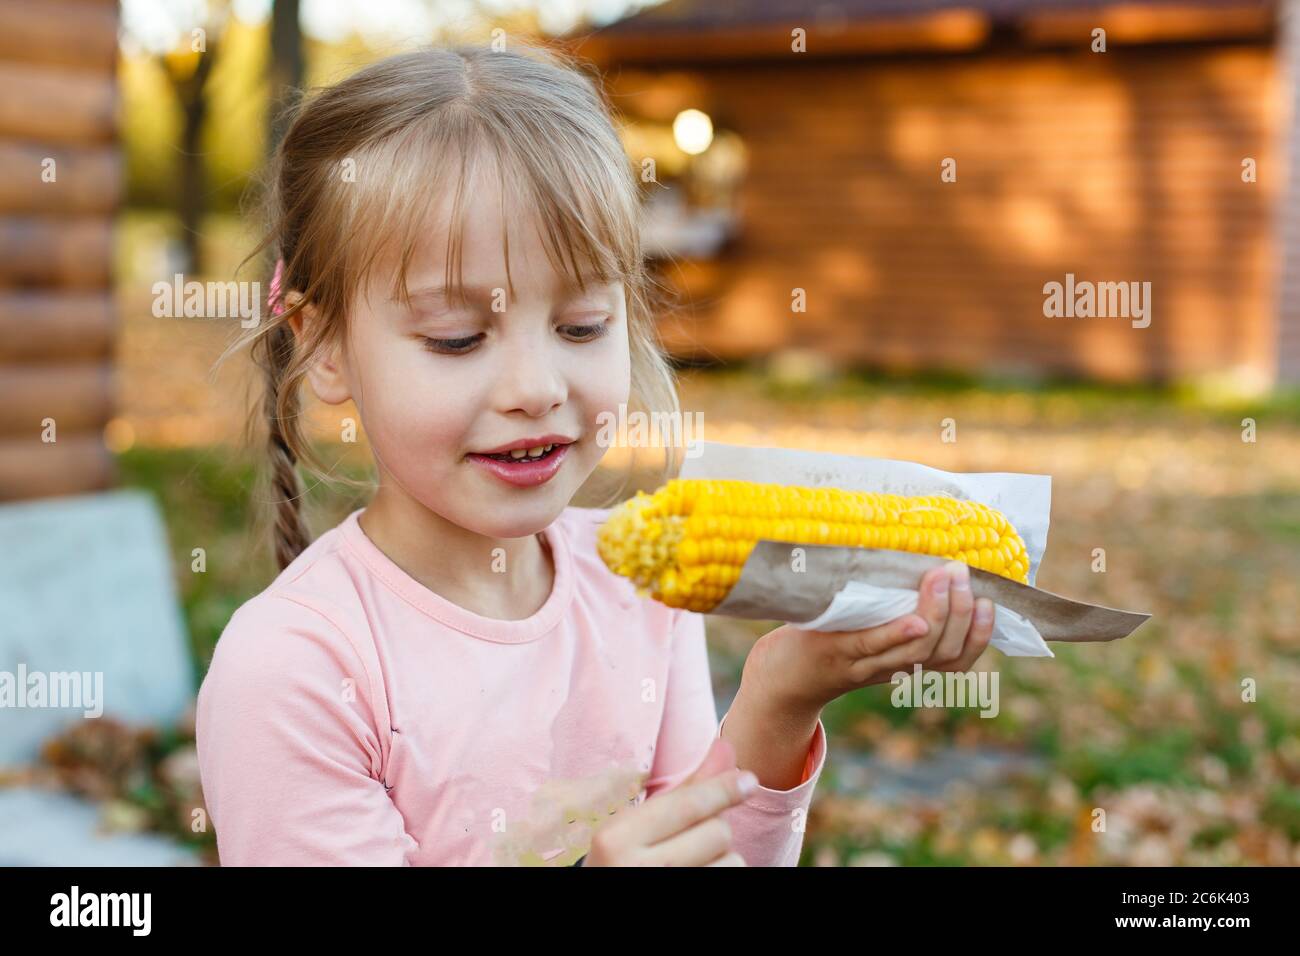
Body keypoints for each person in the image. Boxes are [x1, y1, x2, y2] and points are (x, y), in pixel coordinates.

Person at [195, 42, 994, 866]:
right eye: (457, 338)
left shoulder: (638, 592)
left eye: (581, 326)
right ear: (323, 345)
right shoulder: (294, 674)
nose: (535, 387)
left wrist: (781, 701)